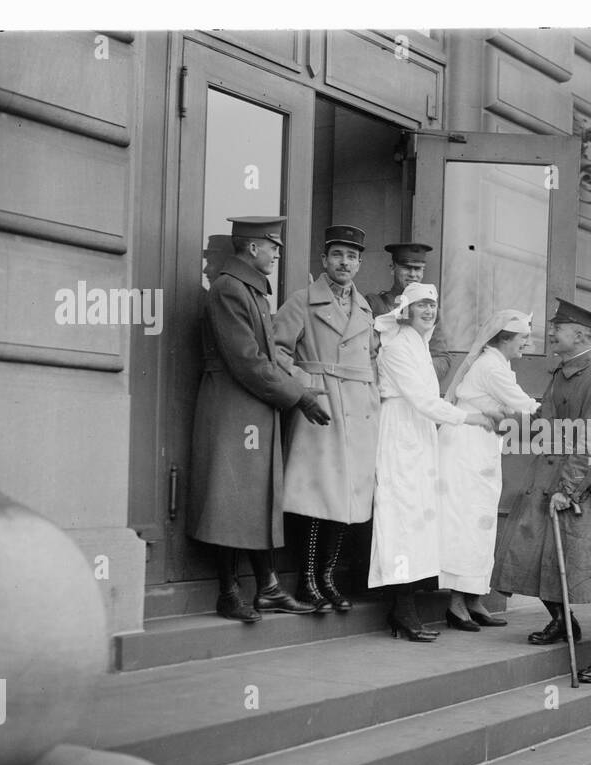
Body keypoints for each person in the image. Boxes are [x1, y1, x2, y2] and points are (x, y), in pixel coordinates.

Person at [187, 216, 330, 622]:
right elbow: (247, 362)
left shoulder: (245, 289)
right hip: (233, 408)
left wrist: (298, 388)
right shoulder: (230, 290)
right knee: (229, 499)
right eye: (273, 246)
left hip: (249, 407)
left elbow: (259, 361)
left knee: (252, 498)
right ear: (252, 248)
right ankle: (229, 592)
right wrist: (299, 395)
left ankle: (266, 588)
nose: (278, 253)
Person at [491, 299, 591, 684]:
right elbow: (545, 421)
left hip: (581, 488)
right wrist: (508, 425)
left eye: (559, 327)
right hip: (547, 480)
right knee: (529, 554)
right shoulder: (563, 372)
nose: (551, 332)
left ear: (581, 335)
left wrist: (569, 488)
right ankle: (563, 621)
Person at [367, 283, 501, 641]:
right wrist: (470, 418)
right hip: (399, 435)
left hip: (419, 436)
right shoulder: (396, 345)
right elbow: (422, 400)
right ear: (406, 309)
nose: (428, 311)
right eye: (421, 305)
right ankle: (402, 611)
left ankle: (405, 610)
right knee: (399, 519)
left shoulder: (418, 345)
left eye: (433, 305)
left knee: (417, 521)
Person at [272, 224, 378, 614]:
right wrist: (305, 385)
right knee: (318, 495)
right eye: (337, 255)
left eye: (352, 257)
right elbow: (276, 351)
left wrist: (373, 404)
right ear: (324, 260)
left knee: (347, 498)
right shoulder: (302, 301)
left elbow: (372, 362)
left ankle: (328, 577)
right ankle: (307, 580)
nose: (344, 263)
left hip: (358, 412)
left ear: (360, 264)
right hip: (320, 407)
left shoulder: (365, 309)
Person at [437, 309, 540, 630]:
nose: (528, 342)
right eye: (523, 337)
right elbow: (526, 406)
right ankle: (455, 604)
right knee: (465, 522)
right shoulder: (490, 367)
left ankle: (473, 598)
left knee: (480, 523)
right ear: (505, 339)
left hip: (480, 448)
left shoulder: (498, 364)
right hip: (464, 449)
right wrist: (569, 419)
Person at [366, 241, 453, 386]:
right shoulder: (374, 303)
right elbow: (364, 351)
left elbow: (442, 357)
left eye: (418, 269)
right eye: (406, 268)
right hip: (381, 388)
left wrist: (414, 376)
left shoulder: (430, 311)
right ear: (393, 268)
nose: (413, 274)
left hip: (418, 391)